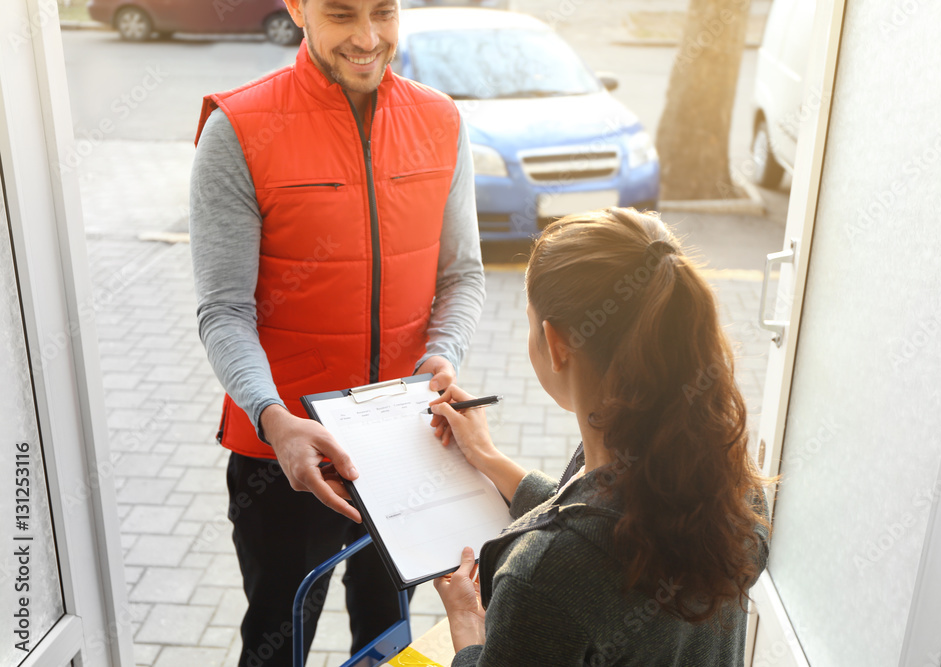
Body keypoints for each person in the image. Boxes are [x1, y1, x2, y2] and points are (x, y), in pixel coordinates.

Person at [188, 0, 485, 664]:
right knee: (275, 638)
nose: (368, 37)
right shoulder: (237, 129)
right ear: (297, 8)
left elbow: (464, 275)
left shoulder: (442, 120)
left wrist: (444, 352)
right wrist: (272, 417)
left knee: (387, 630)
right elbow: (224, 309)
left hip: (404, 450)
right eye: (342, 13)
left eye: (383, 11)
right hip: (284, 461)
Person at [428, 207, 771, 665]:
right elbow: (610, 521)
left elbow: (581, 545)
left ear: (555, 343)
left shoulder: (540, 580)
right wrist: (487, 456)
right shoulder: (729, 480)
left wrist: (469, 625)